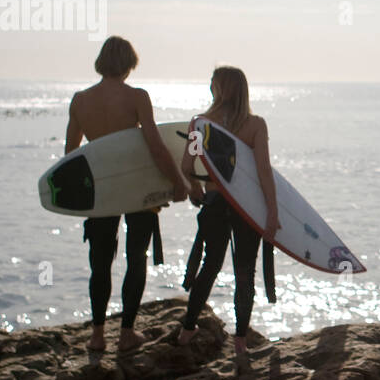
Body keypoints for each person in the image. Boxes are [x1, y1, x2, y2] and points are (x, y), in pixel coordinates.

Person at [65, 36, 189, 352]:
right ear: (129, 63)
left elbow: (70, 155)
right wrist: (177, 182)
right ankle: (126, 334)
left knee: (100, 264)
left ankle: (96, 336)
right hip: (138, 187)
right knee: (136, 259)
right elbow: (156, 146)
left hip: (102, 189)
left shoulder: (80, 100)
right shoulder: (137, 97)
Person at [178, 66, 280, 352]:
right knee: (245, 272)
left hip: (215, 203)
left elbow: (187, 167)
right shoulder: (255, 125)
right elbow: (263, 172)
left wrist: (195, 189)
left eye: (213, 83)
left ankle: (187, 330)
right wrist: (272, 212)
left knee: (210, 265)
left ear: (219, 88)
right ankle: (240, 342)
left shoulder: (201, 123)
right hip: (246, 208)